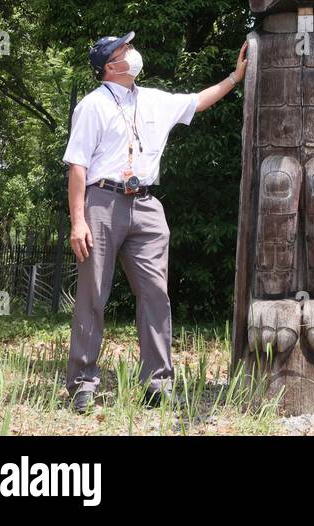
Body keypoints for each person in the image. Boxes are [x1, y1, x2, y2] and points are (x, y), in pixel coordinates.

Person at [62, 30, 248, 413]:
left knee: (155, 295)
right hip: (102, 201)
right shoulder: (92, 106)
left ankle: (157, 384)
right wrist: (77, 221)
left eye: (130, 46)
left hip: (146, 203)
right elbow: (78, 166)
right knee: (93, 294)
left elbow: (196, 103)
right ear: (110, 66)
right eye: (125, 50)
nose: (133, 53)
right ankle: (82, 383)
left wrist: (235, 77)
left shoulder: (152, 99)